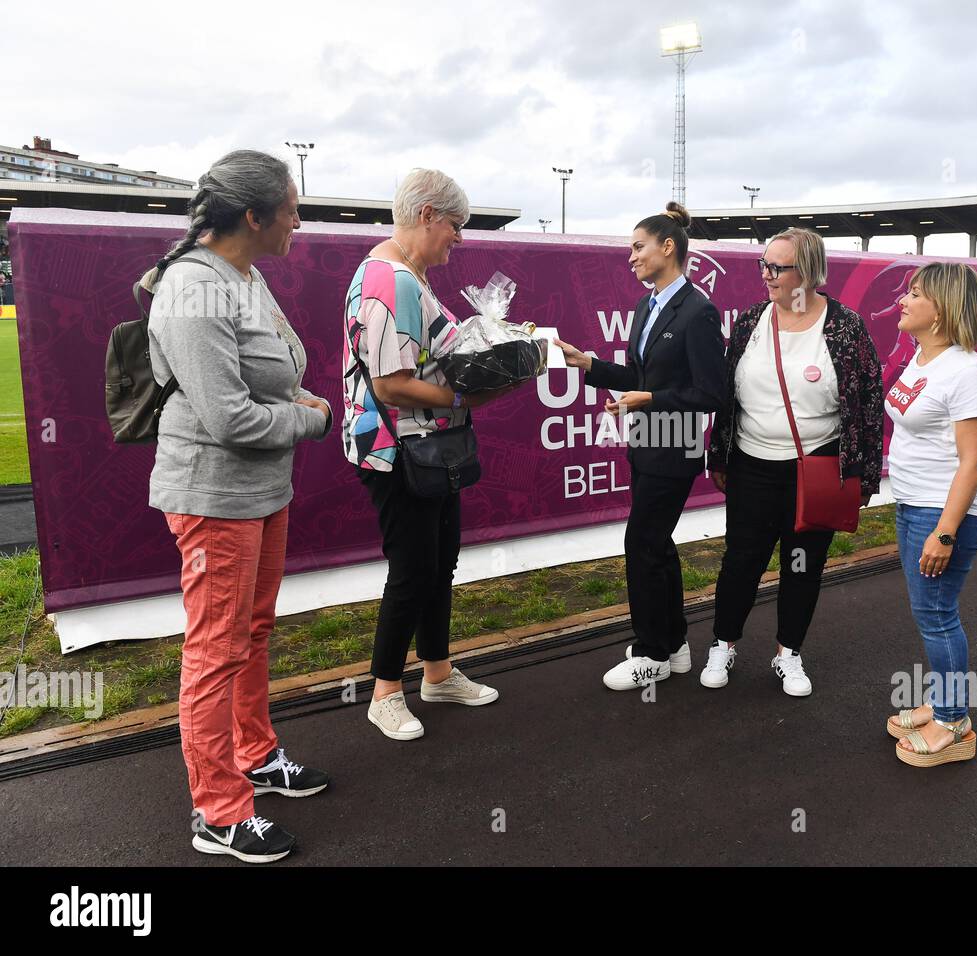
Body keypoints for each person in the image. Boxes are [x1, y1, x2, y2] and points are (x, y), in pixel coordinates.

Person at [145, 149, 333, 863]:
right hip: (213, 495)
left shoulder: (242, 275)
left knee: (250, 633)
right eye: (291, 210)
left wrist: (295, 398)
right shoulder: (193, 288)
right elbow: (230, 420)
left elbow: (270, 379)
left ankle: (253, 756)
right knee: (216, 648)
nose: (298, 222)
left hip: (259, 490)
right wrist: (312, 419)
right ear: (252, 216)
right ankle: (218, 811)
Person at [343, 168, 515, 740]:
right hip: (397, 451)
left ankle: (437, 673)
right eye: (456, 226)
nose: (459, 239)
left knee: (439, 563)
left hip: (427, 448)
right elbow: (392, 384)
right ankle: (385, 691)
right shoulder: (391, 280)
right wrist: (467, 392)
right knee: (413, 570)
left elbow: (433, 356)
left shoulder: (405, 275)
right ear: (427, 216)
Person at [554, 202, 727, 690]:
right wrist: (588, 363)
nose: (630, 257)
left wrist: (651, 398)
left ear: (667, 247)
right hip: (648, 445)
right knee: (656, 545)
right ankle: (672, 645)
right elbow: (640, 376)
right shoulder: (646, 306)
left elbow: (710, 392)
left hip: (675, 448)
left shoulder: (698, 311)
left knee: (642, 543)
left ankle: (651, 651)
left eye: (637, 247)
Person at [703, 228, 883, 696]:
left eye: (777, 267)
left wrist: (861, 476)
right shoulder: (750, 322)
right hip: (751, 464)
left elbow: (866, 400)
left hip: (816, 470)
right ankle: (723, 643)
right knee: (740, 562)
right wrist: (718, 452)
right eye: (763, 264)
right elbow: (728, 392)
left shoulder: (845, 326)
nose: (766, 275)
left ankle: (789, 652)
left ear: (809, 273)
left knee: (802, 566)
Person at [884, 262, 977, 767]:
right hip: (915, 503)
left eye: (915, 294)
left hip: (947, 512)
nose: (903, 300)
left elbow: (973, 460)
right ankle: (945, 705)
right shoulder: (924, 359)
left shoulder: (968, 370)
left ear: (943, 310)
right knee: (930, 611)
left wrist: (945, 533)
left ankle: (954, 724)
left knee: (936, 614)